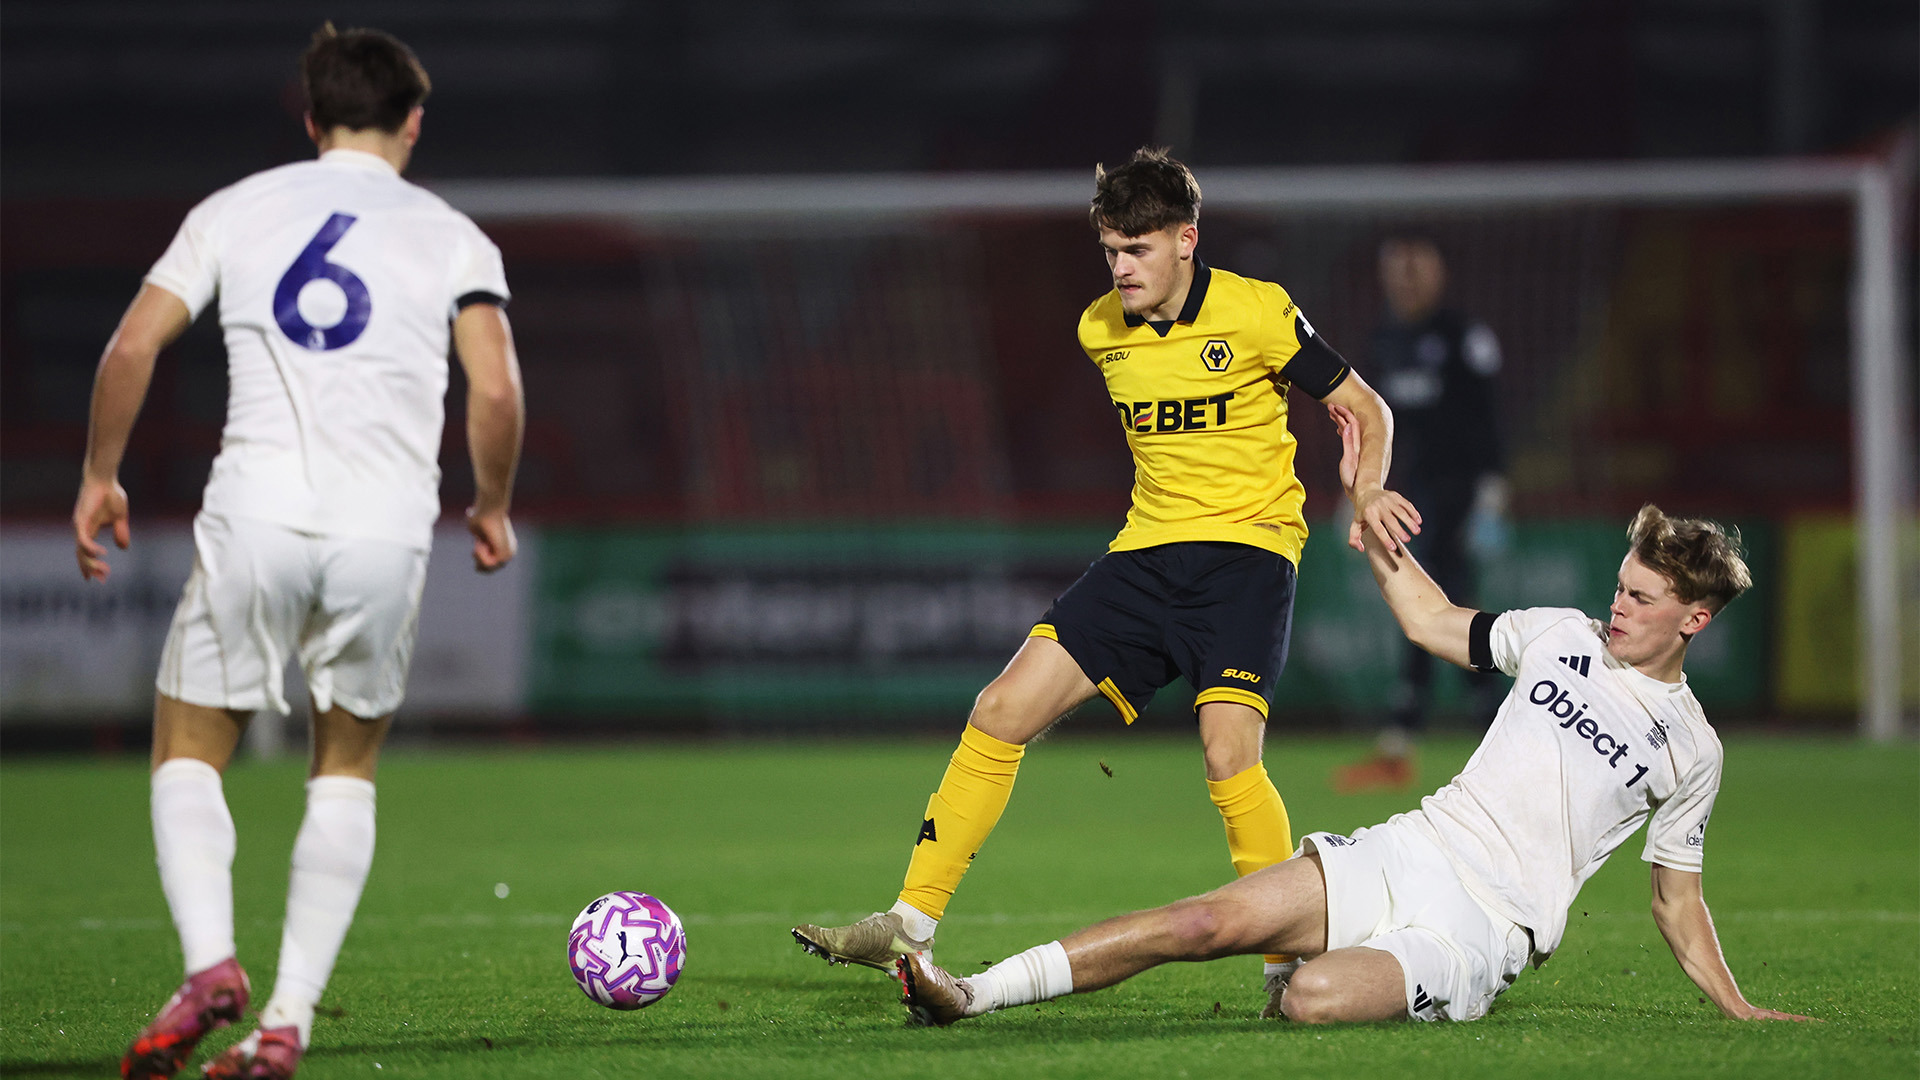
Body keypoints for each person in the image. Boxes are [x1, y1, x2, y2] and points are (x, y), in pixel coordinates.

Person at [895, 405, 1811, 1028]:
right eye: (1620, 585)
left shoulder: (1693, 749)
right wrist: (1366, 512)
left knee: (1309, 1001)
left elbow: (1674, 899)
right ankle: (970, 993)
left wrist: (1738, 1009)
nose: (1618, 607)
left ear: (1694, 618)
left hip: (1484, 928)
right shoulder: (1558, 635)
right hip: (1411, 847)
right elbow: (1429, 617)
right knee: (1202, 925)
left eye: (1641, 598)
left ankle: (1329, 959)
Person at [793, 148, 1419, 1019]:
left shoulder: (1258, 312)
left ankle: (1287, 965)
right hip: (1144, 557)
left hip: (1247, 556)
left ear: (1186, 240)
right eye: (1111, 250)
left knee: (1228, 753)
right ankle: (911, 922)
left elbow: (1365, 405)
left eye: (1139, 249)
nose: (1122, 268)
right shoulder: (1100, 330)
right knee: (999, 709)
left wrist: (1369, 488)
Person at [76, 25, 525, 1080]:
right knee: (347, 767)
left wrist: (101, 475)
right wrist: (493, 503)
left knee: (189, 744)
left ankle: (208, 965)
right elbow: (496, 389)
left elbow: (132, 343)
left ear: (310, 116)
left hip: (256, 517)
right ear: (413, 121)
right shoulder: (453, 234)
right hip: (383, 534)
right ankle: (286, 1022)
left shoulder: (235, 210)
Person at [1334, 236, 1507, 793]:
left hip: (1458, 497)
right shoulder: (1383, 341)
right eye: (1398, 271)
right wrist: (1358, 491)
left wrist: (1492, 489)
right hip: (1406, 497)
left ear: (1439, 275)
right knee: (1425, 612)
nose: (1407, 281)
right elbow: (1369, 423)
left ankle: (1473, 739)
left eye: (1417, 270)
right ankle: (1425, 743)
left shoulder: (1463, 338)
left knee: (1449, 605)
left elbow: (1490, 418)